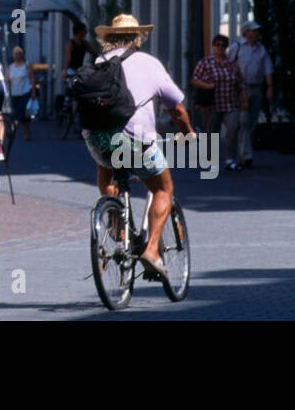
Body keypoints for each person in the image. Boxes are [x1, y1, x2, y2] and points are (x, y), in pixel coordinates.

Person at [81, 15, 195, 282]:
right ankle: (152, 251)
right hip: (135, 141)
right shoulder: (148, 63)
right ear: (137, 38)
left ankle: (115, 222)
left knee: (106, 165)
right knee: (162, 188)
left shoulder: (99, 62)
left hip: (96, 140)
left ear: (107, 39)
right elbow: (176, 109)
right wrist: (188, 135)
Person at [191, 35, 248, 171]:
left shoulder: (231, 65)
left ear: (226, 47)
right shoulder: (206, 62)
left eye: (223, 45)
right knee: (212, 132)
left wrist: (245, 100)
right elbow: (194, 79)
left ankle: (230, 159)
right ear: (213, 46)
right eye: (217, 45)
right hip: (212, 104)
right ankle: (211, 159)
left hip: (231, 102)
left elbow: (241, 83)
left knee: (233, 129)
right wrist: (207, 86)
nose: (220, 48)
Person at [228, 20, 274, 168]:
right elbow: (229, 66)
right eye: (252, 31)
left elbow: (267, 67)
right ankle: (244, 154)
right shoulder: (237, 47)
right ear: (245, 32)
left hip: (256, 87)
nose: (255, 33)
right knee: (243, 121)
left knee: (252, 122)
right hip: (241, 87)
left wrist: (269, 87)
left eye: (256, 31)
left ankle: (246, 153)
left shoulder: (261, 49)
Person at [6, 46, 37, 140]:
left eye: (18, 53)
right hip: (15, 93)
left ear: (22, 54)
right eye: (15, 53)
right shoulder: (11, 67)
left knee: (18, 113)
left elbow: (32, 78)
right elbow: (6, 79)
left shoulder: (27, 64)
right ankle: (28, 134)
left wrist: (33, 91)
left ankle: (12, 129)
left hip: (25, 92)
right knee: (23, 117)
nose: (17, 55)